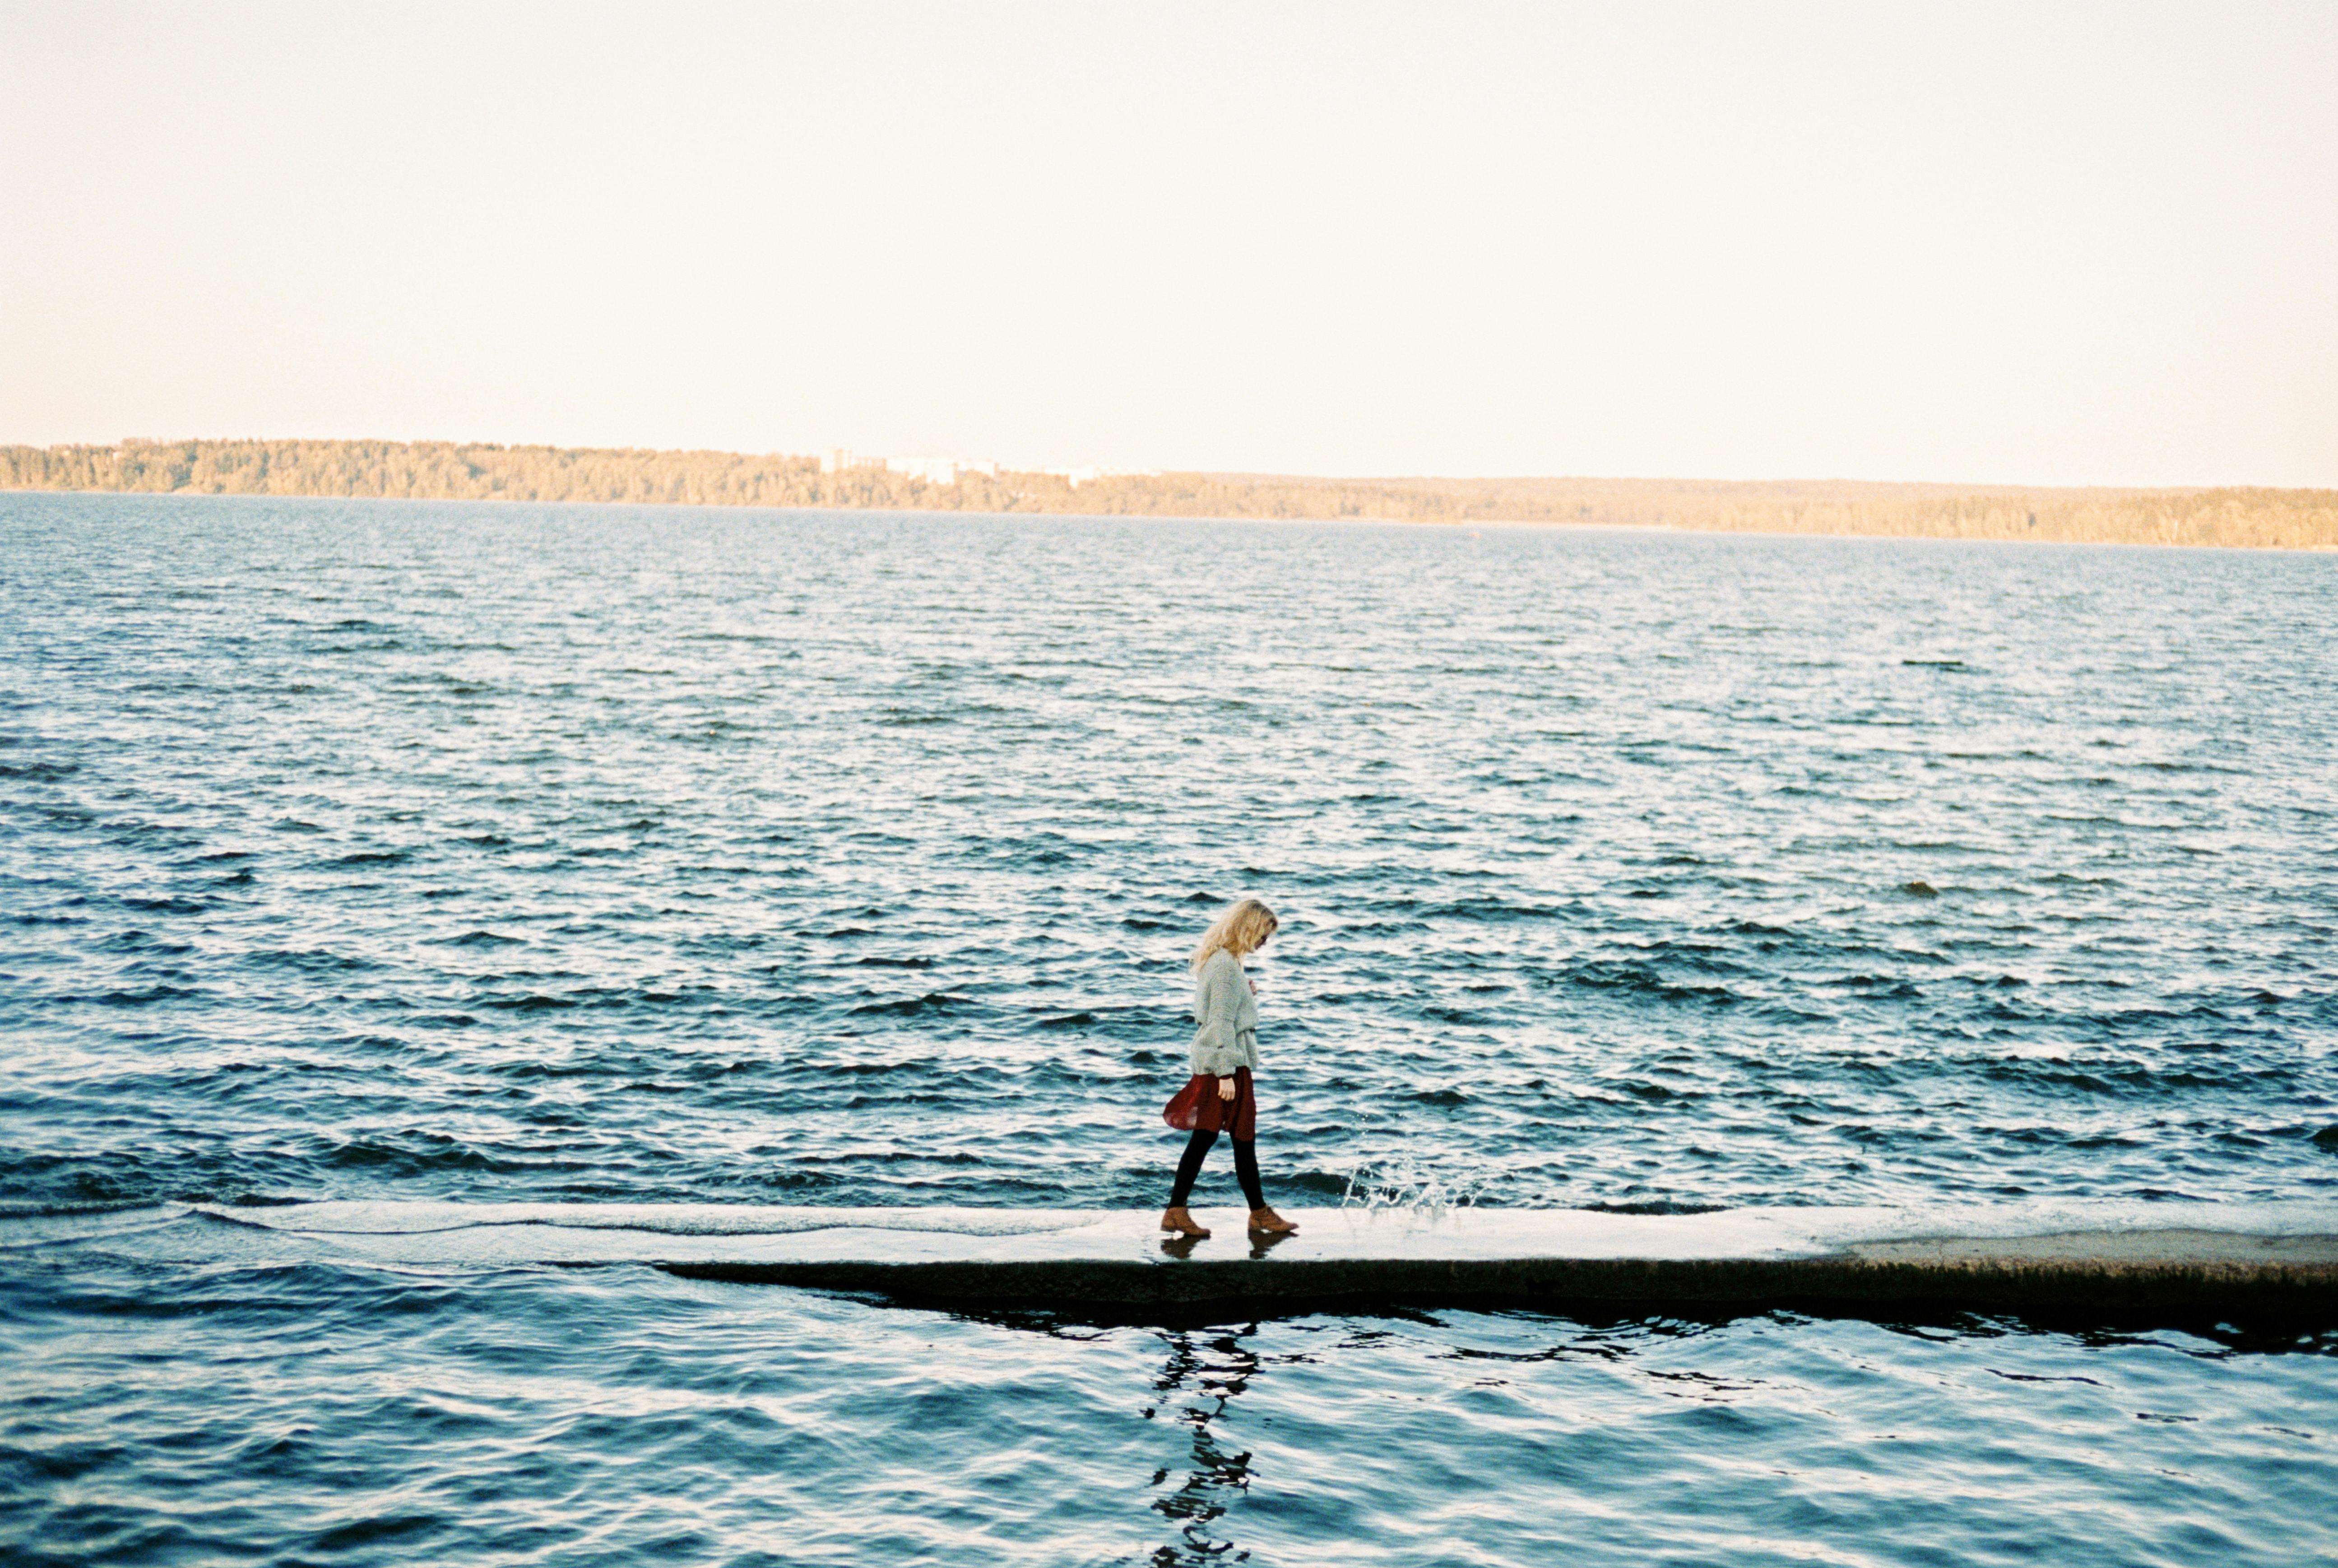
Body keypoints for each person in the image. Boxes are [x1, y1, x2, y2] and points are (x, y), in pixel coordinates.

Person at [1160, 896, 1297, 1239]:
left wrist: (1246, 994)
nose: (1265, 943)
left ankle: (1247, 1212)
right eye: (1263, 935)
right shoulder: (1224, 965)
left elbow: (1222, 1009)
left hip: (1230, 1064)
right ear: (1247, 928)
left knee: (1230, 1139)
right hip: (1226, 1067)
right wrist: (1225, 1073)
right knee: (1226, 1139)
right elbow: (1219, 1020)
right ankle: (1250, 1213)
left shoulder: (1227, 962)